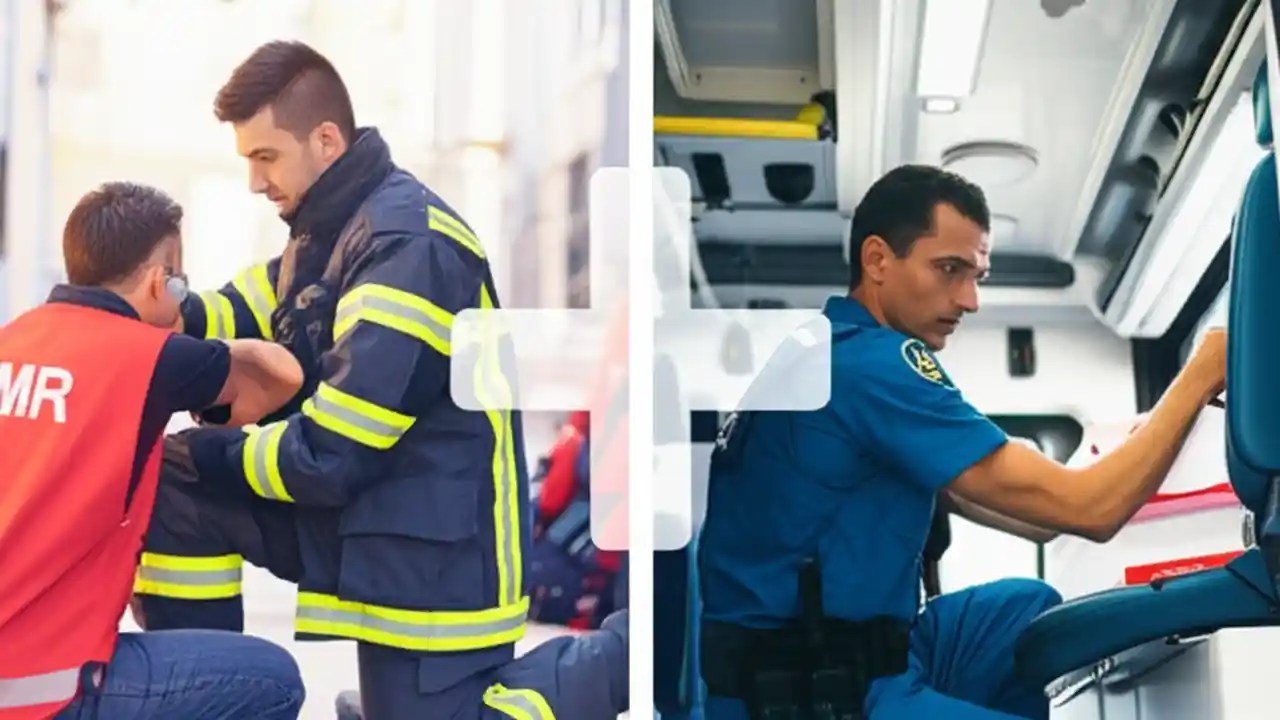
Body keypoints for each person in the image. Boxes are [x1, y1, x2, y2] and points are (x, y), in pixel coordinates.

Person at [131, 40, 628, 719]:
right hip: (372, 523)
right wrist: (152, 310)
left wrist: (219, 448)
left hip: (438, 560)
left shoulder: (408, 247)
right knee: (173, 482)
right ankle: (203, 699)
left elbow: (333, 452)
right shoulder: (328, 232)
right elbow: (245, 309)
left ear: (326, 140)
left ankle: (626, 655)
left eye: (265, 156)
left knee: (196, 462)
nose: (253, 180)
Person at [696, 164, 1227, 720]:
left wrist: (1138, 442)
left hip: (833, 657)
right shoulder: (872, 366)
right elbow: (1089, 510)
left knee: (1024, 609)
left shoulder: (822, 351)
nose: (969, 299)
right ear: (877, 260)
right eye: (948, 269)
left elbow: (1041, 518)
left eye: (976, 275)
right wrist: (1201, 373)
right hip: (815, 693)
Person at [0, 182, 305, 719]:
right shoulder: (153, 358)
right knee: (272, 679)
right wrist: (221, 351)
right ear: (160, 283)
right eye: (181, 283)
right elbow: (281, 377)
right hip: (42, 689)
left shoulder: (14, 340)